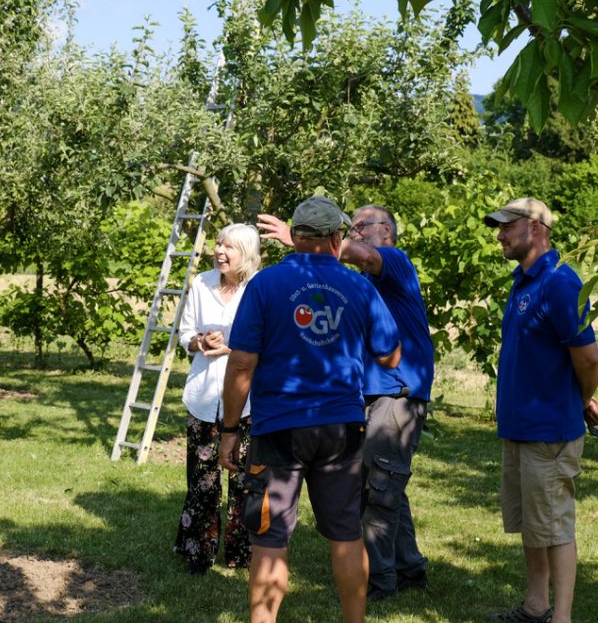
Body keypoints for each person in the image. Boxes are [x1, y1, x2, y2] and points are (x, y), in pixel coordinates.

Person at [219, 195, 402, 623]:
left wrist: (230, 429)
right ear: (337, 237)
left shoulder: (265, 285)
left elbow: (242, 363)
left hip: (279, 429)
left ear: (295, 237)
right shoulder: (359, 286)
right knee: (345, 534)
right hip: (341, 427)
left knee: (271, 536)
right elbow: (390, 356)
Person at [258, 204, 433, 600]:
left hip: (398, 391)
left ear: (385, 230)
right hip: (373, 393)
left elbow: (366, 255)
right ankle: (409, 569)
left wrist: (305, 242)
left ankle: (379, 582)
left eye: (358, 227)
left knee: (377, 488)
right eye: (346, 230)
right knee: (388, 484)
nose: (350, 235)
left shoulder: (394, 260)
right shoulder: (360, 283)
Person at [483, 198, 598, 623]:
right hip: (520, 429)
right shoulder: (523, 282)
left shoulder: (559, 283)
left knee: (555, 527)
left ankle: (562, 617)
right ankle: (536, 604)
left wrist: (578, 398)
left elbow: (588, 359)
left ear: (535, 228)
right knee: (533, 525)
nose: (498, 234)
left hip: (549, 432)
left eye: (506, 226)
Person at [173, 223, 261, 575]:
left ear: (247, 254)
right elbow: (185, 334)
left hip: (249, 400)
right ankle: (200, 552)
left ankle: (241, 553)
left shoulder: (259, 287)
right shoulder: (201, 283)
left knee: (244, 479)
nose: (220, 252)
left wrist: (236, 347)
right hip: (204, 397)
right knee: (203, 479)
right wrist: (199, 343)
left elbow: (270, 340)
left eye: (229, 247)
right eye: (218, 245)